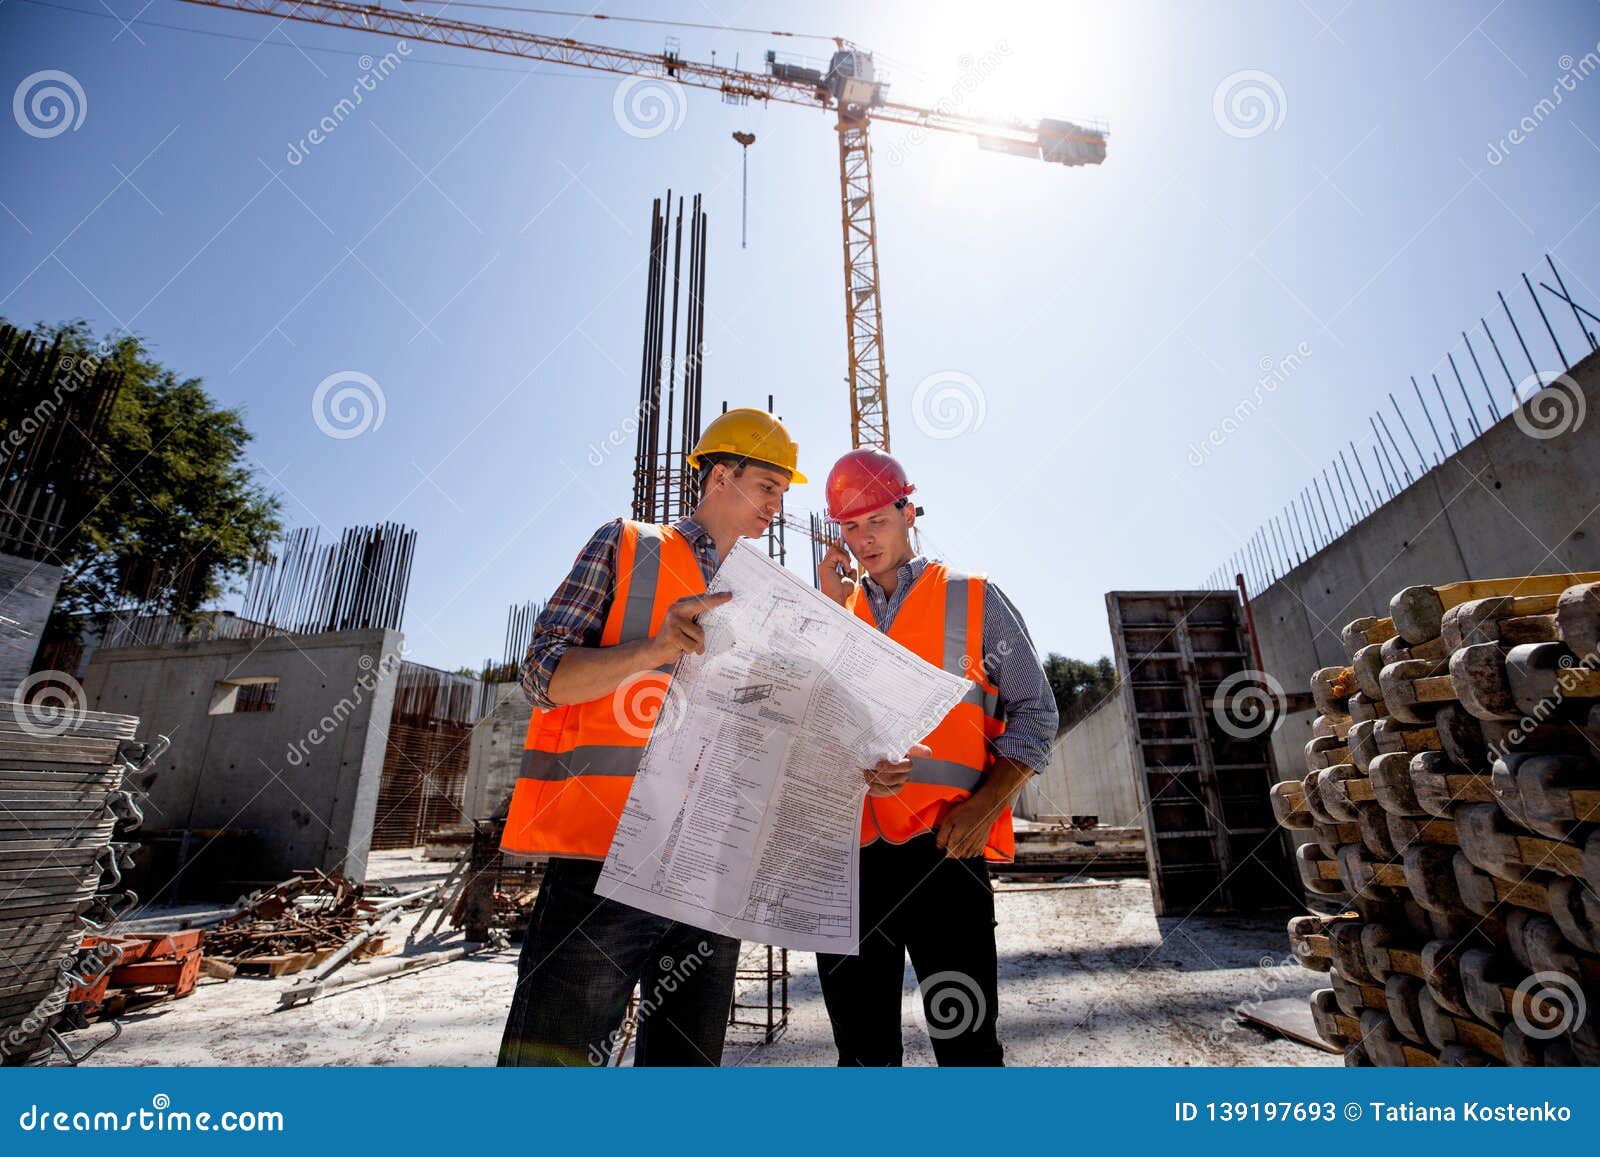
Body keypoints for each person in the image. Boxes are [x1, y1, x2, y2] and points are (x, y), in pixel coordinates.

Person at [496, 410, 916, 1066]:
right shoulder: (627, 544)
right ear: (721, 475)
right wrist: (654, 647)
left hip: (711, 870)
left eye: (784, 491)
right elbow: (541, 674)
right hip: (603, 859)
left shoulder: (762, 595)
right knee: (551, 1067)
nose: (780, 505)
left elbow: (782, 726)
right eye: (769, 486)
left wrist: (855, 748)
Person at [813, 447, 1059, 1066]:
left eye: (877, 521)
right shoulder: (836, 615)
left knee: (969, 1050)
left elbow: (1037, 713)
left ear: (908, 512)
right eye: (850, 526)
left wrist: (984, 807)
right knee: (862, 1057)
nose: (865, 539)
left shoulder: (973, 599)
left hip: (946, 854)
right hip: (851, 866)